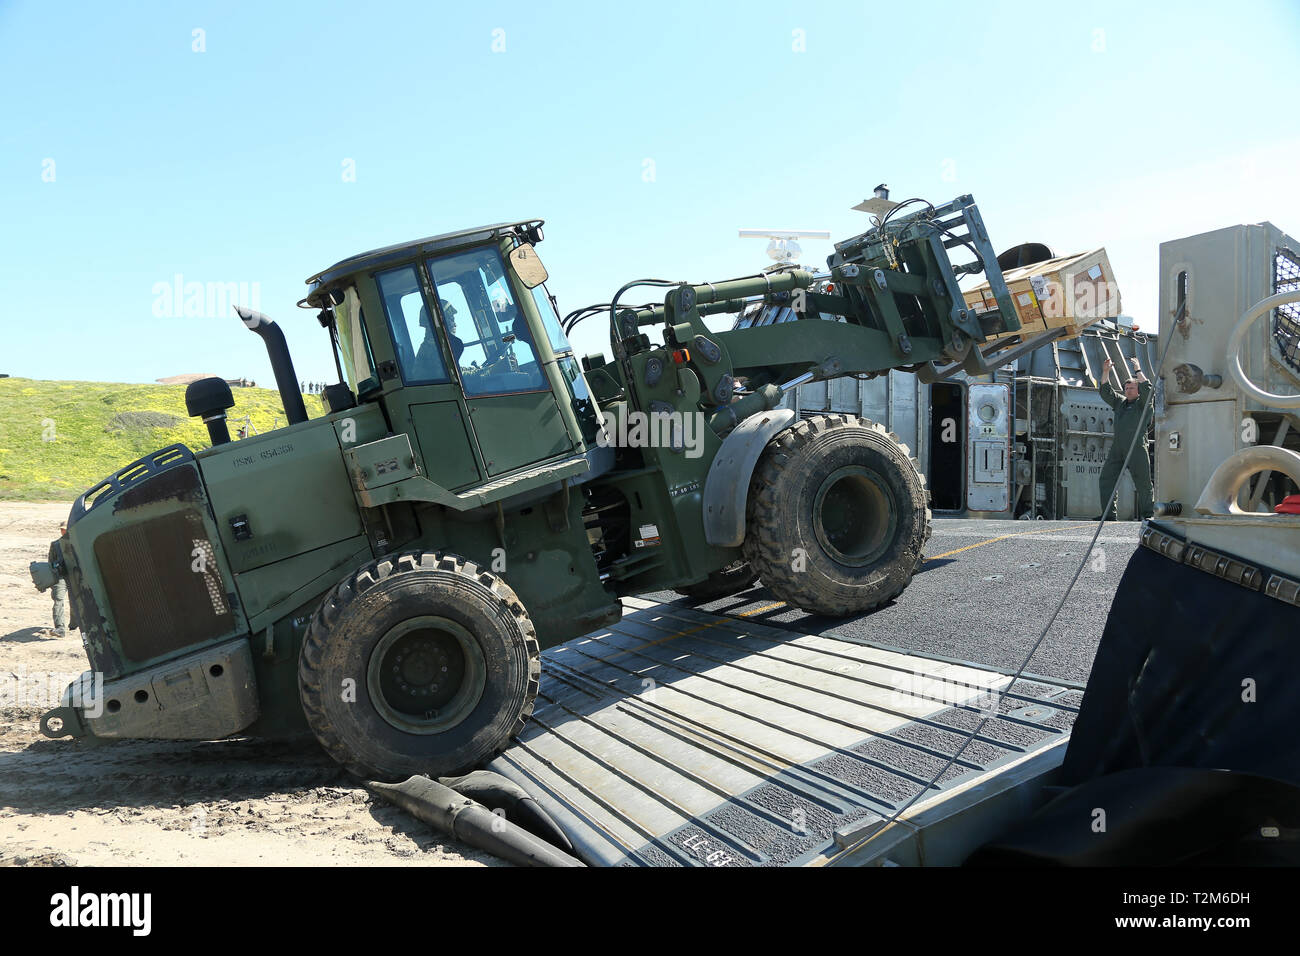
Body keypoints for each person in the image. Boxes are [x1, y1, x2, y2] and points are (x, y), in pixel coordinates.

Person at [1098, 357, 1154, 520]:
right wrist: (1106, 371)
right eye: (1127, 387)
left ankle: (1148, 514)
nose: (1128, 390)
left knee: (1143, 482)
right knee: (1106, 479)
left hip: (1137, 446)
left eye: (1132, 388)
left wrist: (1138, 369)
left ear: (1138, 391)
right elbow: (1105, 391)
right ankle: (1108, 515)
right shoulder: (1120, 403)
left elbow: (1148, 388)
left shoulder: (1143, 404)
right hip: (1118, 447)